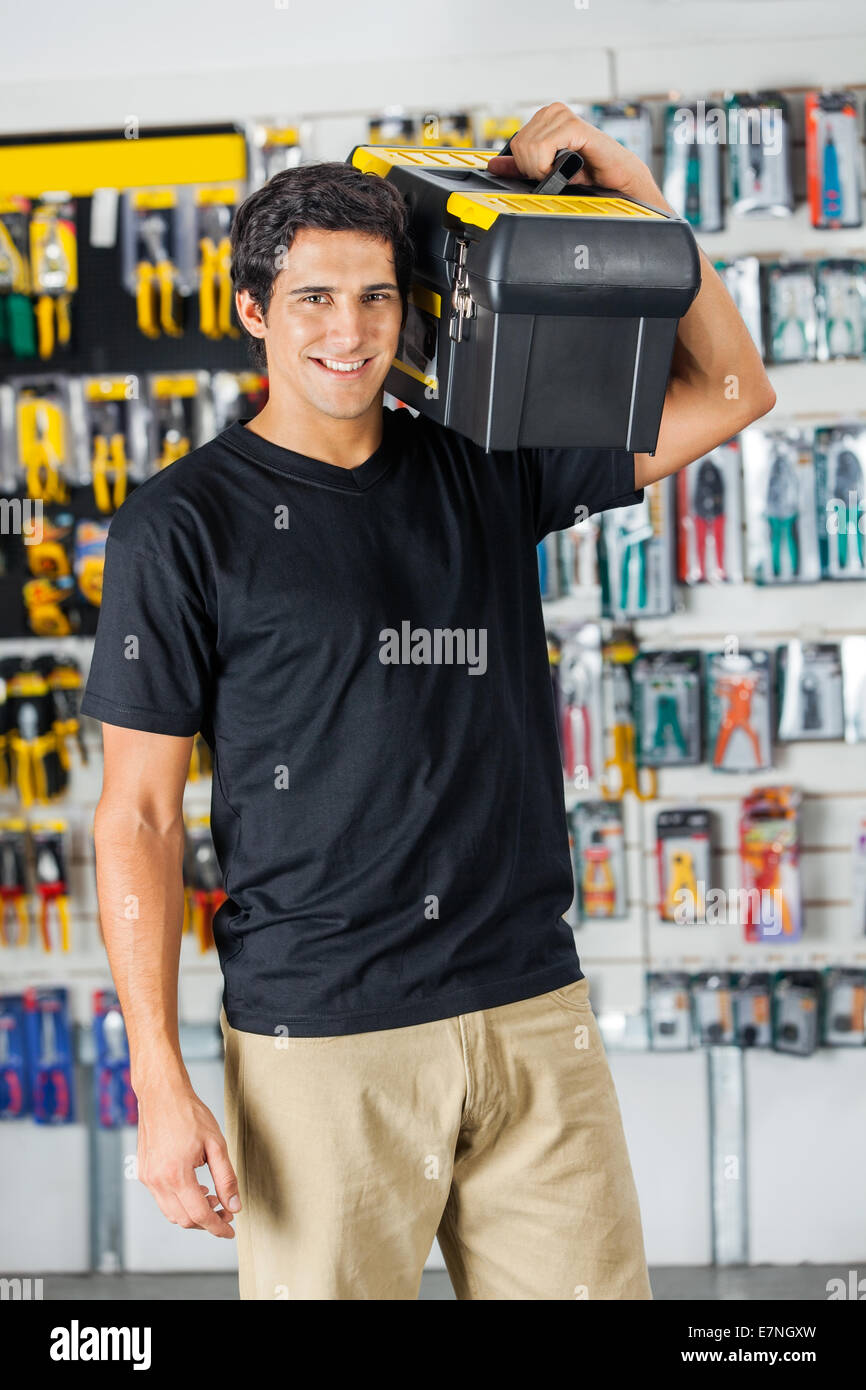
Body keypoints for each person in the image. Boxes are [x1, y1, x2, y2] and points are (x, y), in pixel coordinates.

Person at [83, 102, 775, 1300]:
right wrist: (157, 1076)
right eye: (312, 298)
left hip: (529, 1011)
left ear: (412, 309)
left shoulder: (486, 457)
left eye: (375, 297)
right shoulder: (179, 526)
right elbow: (135, 818)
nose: (348, 331)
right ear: (254, 312)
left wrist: (646, 210)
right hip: (322, 1039)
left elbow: (728, 390)